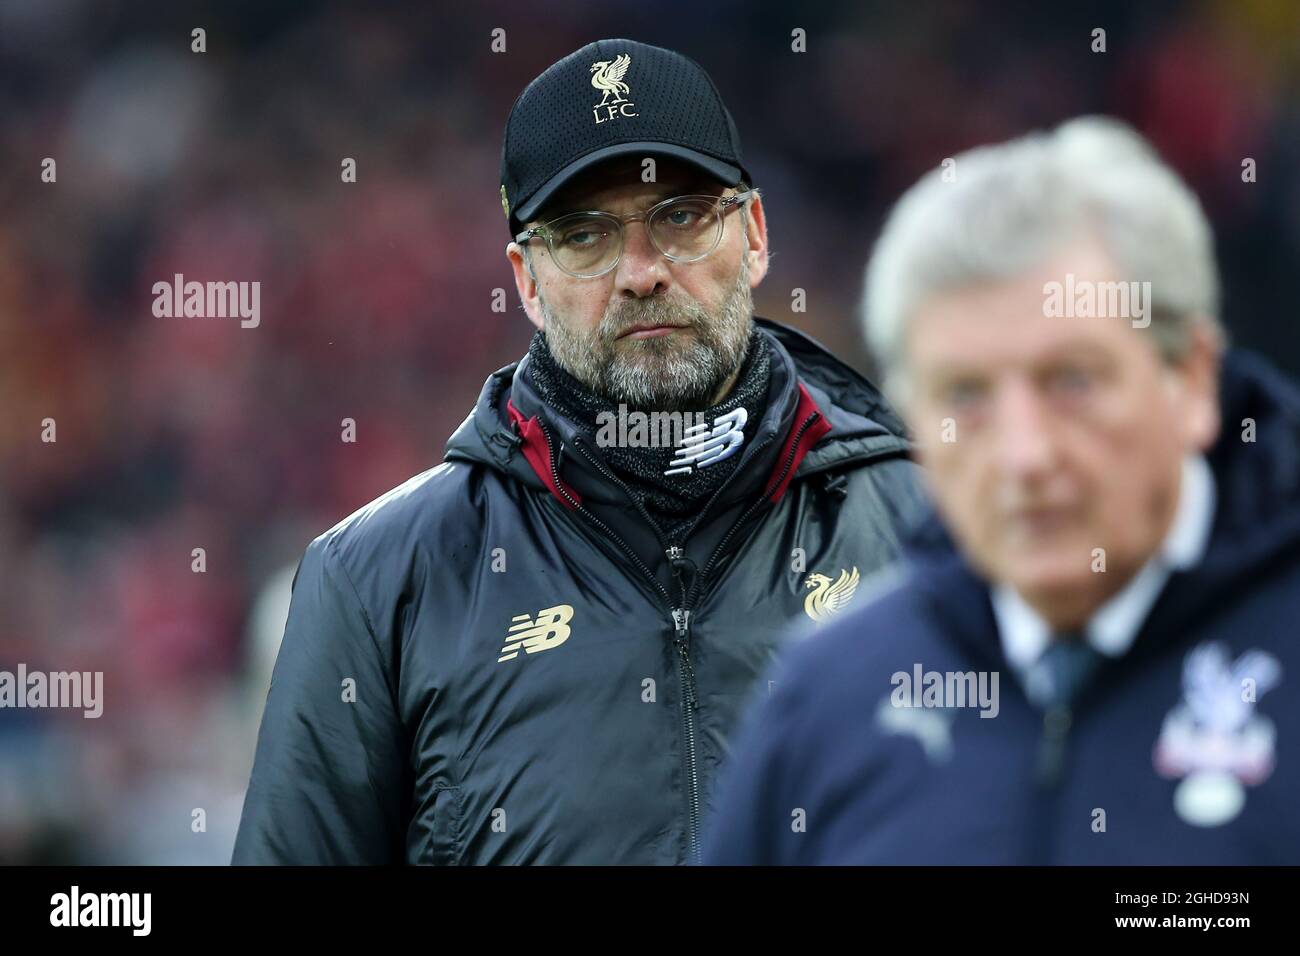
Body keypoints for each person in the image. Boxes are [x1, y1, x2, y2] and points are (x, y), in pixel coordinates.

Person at [232, 38, 924, 865]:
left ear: (756, 233)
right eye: (584, 235)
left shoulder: (934, 526)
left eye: (682, 216)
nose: (640, 273)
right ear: (527, 279)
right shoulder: (377, 583)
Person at [703, 116, 1300, 865]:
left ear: (1191, 379)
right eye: (966, 396)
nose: (1024, 455)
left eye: (1073, 381)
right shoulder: (826, 697)